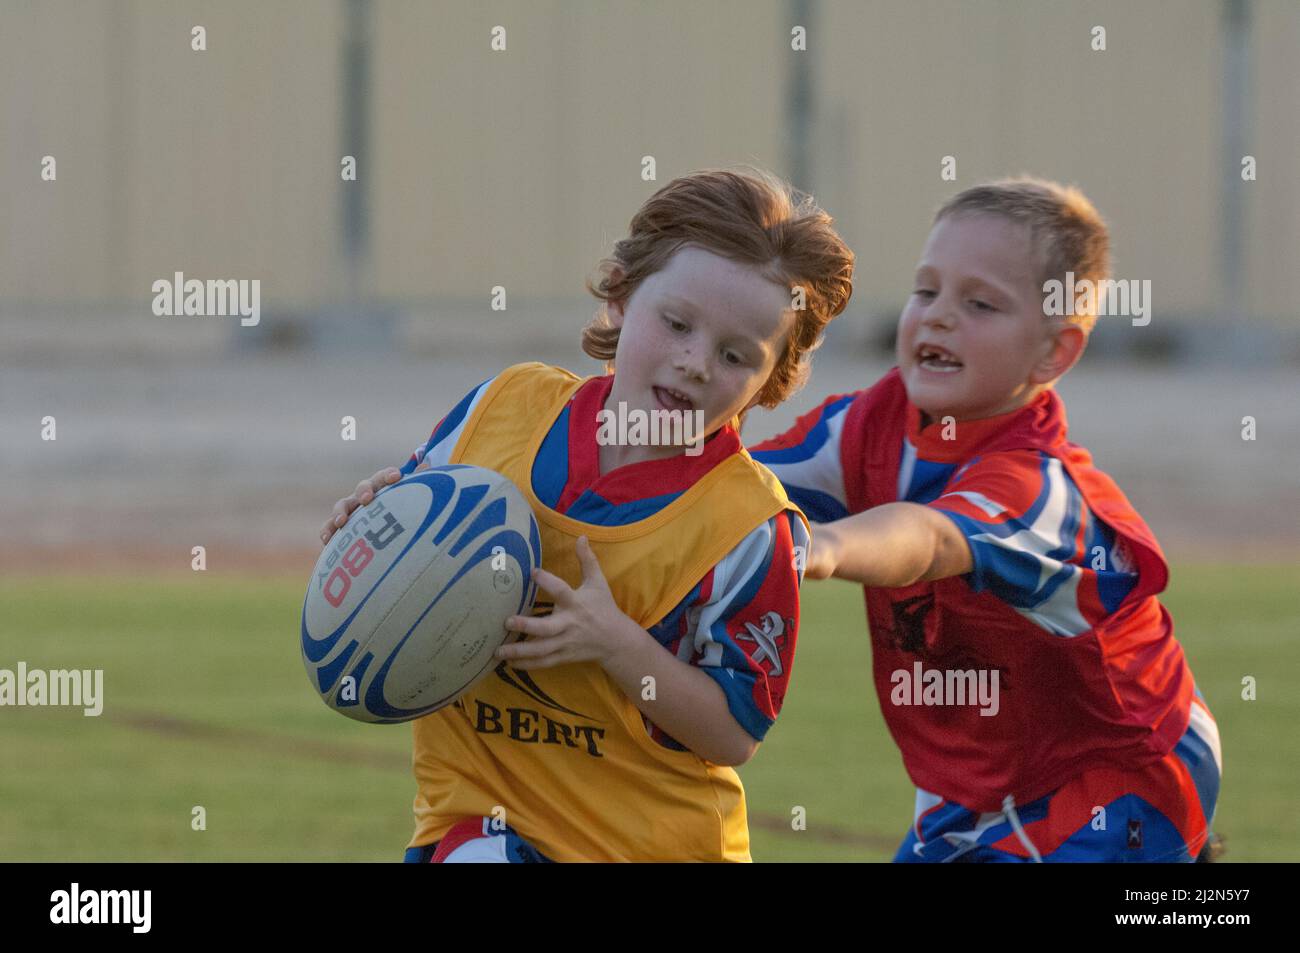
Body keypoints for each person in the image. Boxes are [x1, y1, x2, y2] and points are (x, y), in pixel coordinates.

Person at [320, 168, 854, 861]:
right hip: (476, 827)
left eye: (734, 355)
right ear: (621, 296)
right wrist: (364, 530)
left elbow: (734, 733)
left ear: (772, 380)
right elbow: (412, 555)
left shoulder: (750, 527)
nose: (694, 362)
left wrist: (618, 644)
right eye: (677, 323)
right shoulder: (503, 408)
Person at [751, 178, 1222, 862]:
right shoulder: (867, 424)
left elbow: (930, 538)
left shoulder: (1039, 486)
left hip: (1121, 779)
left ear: (1053, 353)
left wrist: (816, 546)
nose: (939, 317)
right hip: (976, 784)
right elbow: (739, 487)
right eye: (926, 290)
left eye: (980, 303)